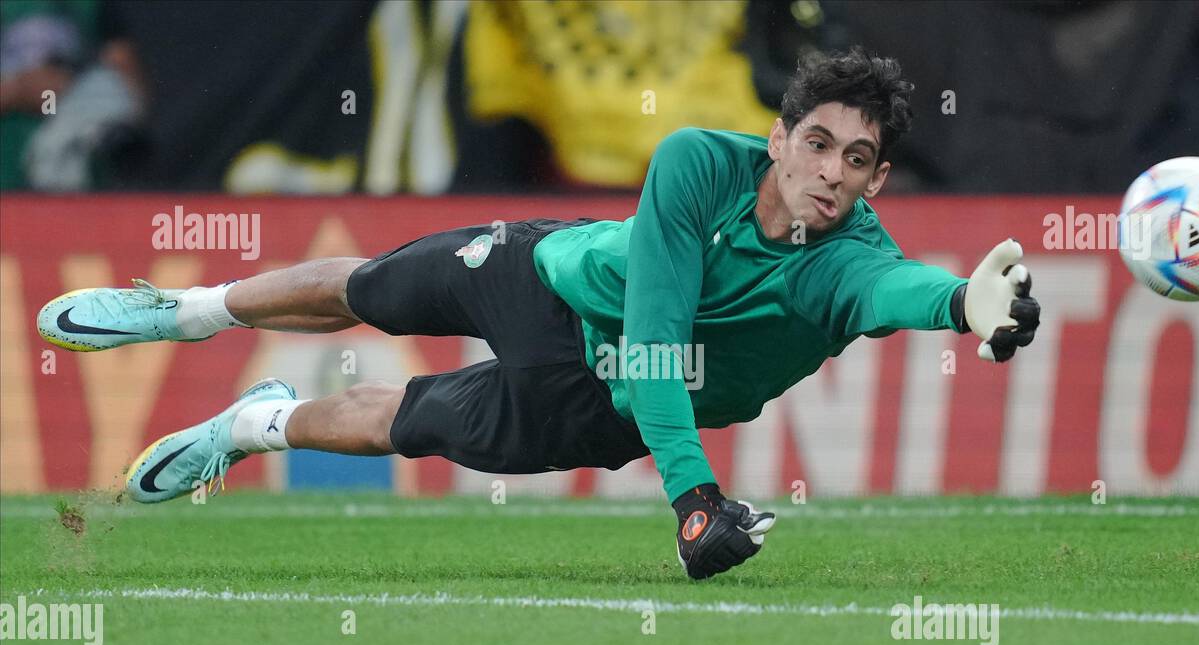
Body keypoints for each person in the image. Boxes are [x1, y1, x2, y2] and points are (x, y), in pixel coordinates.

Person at [36, 48, 1040, 580]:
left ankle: (244, 427)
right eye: (817, 143)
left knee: (406, 421)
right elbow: (656, 335)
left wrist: (959, 302)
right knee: (372, 288)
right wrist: (694, 499)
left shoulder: (845, 263)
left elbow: (890, 290)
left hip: (595, 403)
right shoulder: (697, 160)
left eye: (856, 161)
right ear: (778, 136)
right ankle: (188, 307)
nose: (829, 172)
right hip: (550, 279)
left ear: (877, 180)